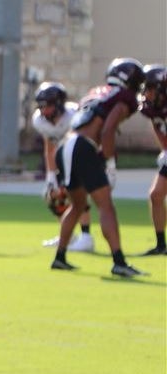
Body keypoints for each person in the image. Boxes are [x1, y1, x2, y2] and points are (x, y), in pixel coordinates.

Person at [50, 58, 146, 276]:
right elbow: (107, 131)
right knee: (105, 206)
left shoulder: (95, 93)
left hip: (65, 145)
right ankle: (119, 262)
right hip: (83, 147)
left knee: (78, 205)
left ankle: (60, 257)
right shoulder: (123, 99)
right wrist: (110, 164)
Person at [32, 81, 95, 252]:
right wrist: (51, 175)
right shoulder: (40, 120)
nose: (44, 111)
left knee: (78, 194)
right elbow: (49, 146)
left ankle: (86, 237)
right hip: (62, 158)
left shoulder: (74, 115)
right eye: (41, 106)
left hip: (82, 156)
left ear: (59, 104)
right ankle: (68, 235)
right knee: (53, 196)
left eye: (47, 106)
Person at [137, 64, 167, 256]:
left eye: (149, 88)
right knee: (156, 195)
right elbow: (157, 125)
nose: (146, 93)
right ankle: (161, 245)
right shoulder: (154, 108)